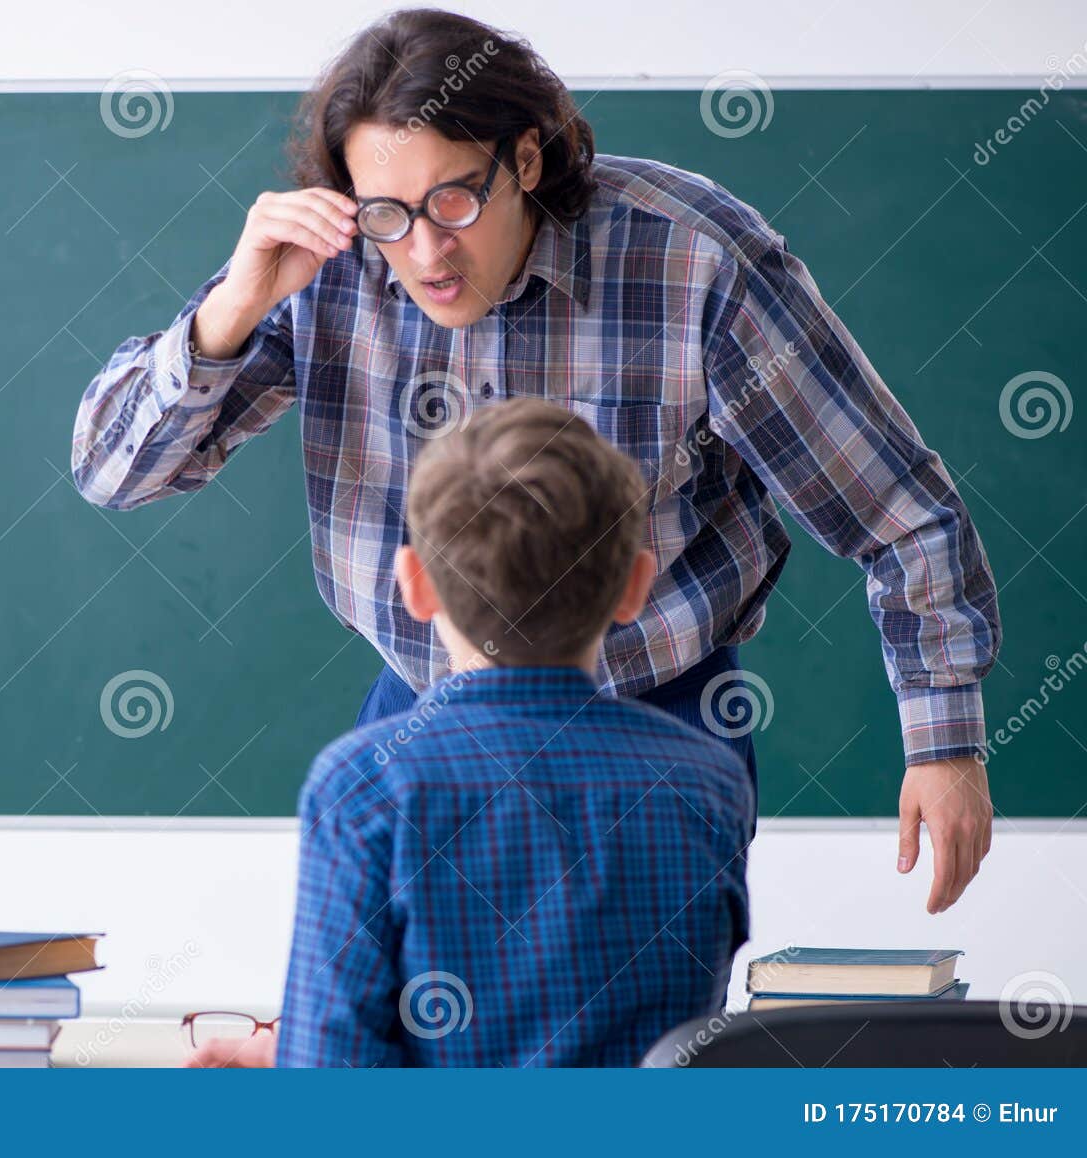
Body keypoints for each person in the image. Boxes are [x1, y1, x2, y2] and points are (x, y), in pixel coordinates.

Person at [73, 8, 999, 912]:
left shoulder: (690, 259)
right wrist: (230, 311)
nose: (427, 252)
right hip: (421, 713)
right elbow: (114, 473)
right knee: (393, 1049)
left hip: (654, 717)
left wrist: (944, 746)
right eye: (389, 212)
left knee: (640, 1050)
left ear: (523, 158)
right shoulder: (330, 262)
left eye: (454, 199)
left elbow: (896, 511)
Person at [187, 399, 754, 1067]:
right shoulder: (708, 779)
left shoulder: (364, 785)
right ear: (634, 587)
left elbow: (334, 1075)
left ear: (414, 587)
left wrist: (281, 1057)